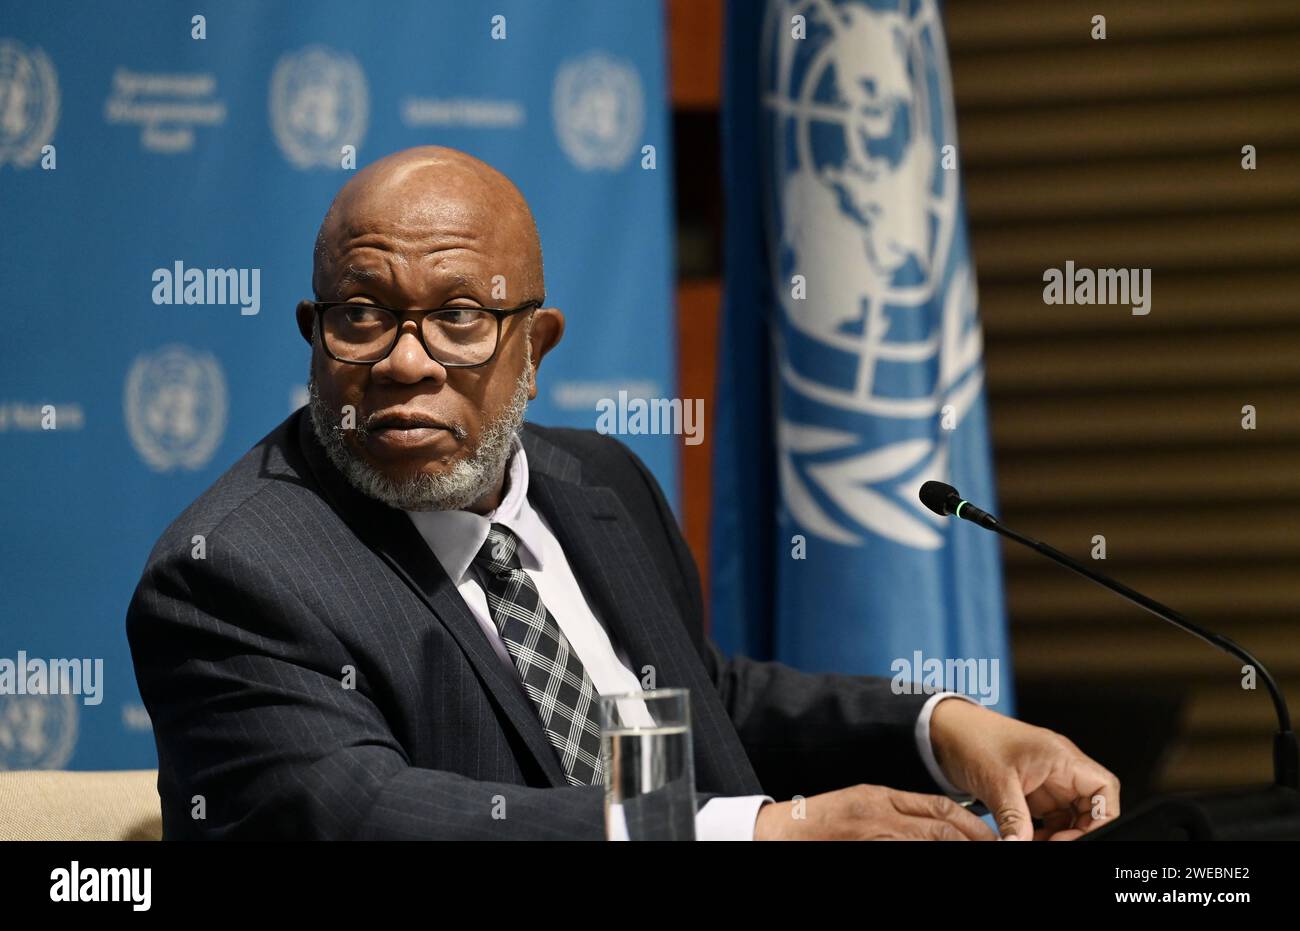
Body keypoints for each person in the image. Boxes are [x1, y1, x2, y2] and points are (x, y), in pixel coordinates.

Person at [126, 146, 1118, 840]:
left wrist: (940, 727)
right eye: (361, 315)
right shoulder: (234, 573)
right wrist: (760, 831)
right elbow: (357, 817)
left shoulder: (595, 480)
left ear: (535, 345)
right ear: (313, 332)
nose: (404, 361)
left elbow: (699, 701)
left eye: (460, 317)